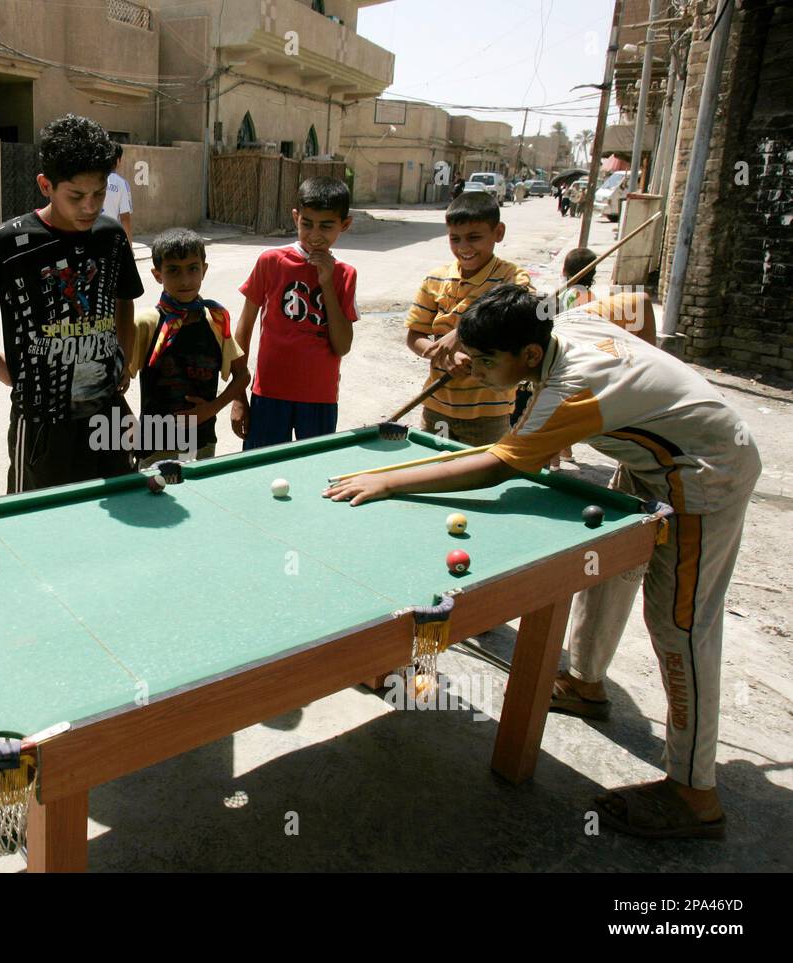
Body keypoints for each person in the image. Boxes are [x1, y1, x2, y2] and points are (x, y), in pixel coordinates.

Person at [326, 285, 761, 840]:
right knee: (611, 574)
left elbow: (498, 465)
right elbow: (631, 302)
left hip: (704, 472)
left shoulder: (573, 385)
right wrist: (467, 332)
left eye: (487, 363)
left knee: (682, 627)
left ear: (530, 356)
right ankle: (585, 684)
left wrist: (388, 480)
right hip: (655, 460)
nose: (474, 371)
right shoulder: (565, 321)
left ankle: (694, 793)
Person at [0, 114, 143, 493]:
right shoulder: (8, 244)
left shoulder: (111, 237)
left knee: (121, 507)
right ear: (46, 185)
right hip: (45, 423)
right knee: (41, 527)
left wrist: (124, 356)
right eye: (76, 196)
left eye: (99, 193)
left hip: (109, 412)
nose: (90, 206)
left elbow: (124, 296)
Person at [229, 177, 357, 449]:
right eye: (306, 224)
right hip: (269, 393)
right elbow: (243, 330)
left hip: (320, 397)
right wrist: (238, 395)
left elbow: (343, 345)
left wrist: (326, 282)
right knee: (261, 471)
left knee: (312, 474)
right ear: (295, 217)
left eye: (326, 225)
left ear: (344, 225)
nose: (315, 235)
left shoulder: (344, 274)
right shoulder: (271, 262)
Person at [404, 191, 531, 446]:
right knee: (433, 474)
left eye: (474, 238)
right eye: (455, 239)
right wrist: (439, 353)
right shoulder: (434, 279)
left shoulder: (512, 277)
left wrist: (461, 334)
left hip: (489, 413)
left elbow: (515, 315)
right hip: (437, 405)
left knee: (480, 479)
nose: (463, 248)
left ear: (498, 232)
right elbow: (414, 337)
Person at [129, 228, 249, 468]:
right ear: (157, 274)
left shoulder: (215, 320)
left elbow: (242, 376)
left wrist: (211, 410)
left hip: (202, 443)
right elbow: (115, 382)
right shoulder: (147, 323)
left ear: (204, 270)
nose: (185, 280)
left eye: (193, 269)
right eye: (173, 270)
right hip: (154, 447)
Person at [102, 143, 133, 245]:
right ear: (118, 161)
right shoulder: (122, 184)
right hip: (112, 238)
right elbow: (125, 219)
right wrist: (129, 247)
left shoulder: (92, 180)